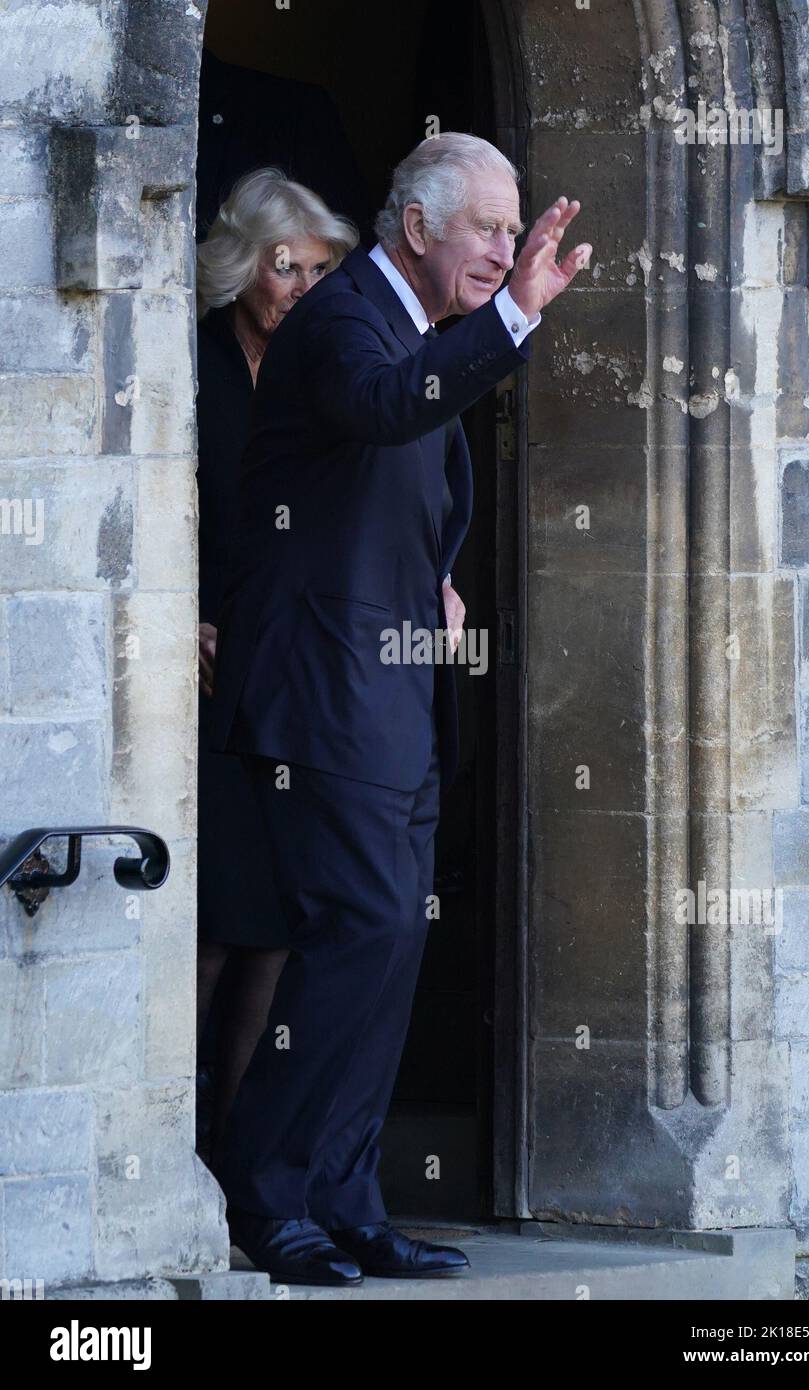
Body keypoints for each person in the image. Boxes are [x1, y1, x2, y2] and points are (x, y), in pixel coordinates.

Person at [208, 132, 592, 1286]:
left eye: (509, 227)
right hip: (326, 689)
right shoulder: (343, 317)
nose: (501, 246)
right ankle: (265, 1196)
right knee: (356, 936)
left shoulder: (417, 326)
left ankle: (344, 1195)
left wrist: (435, 569)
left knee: (383, 950)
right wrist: (512, 317)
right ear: (416, 229)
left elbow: (405, 477)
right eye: (484, 226)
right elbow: (384, 410)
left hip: (390, 681)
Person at [195, 168, 359, 1166]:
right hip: (205, 671)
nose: (302, 284)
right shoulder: (192, 360)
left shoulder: (328, 369)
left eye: (319, 267)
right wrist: (174, 621)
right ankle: (168, 1156)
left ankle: (243, 1160)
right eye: (282, 265)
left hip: (294, 672)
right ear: (238, 268)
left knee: (275, 922)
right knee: (211, 916)